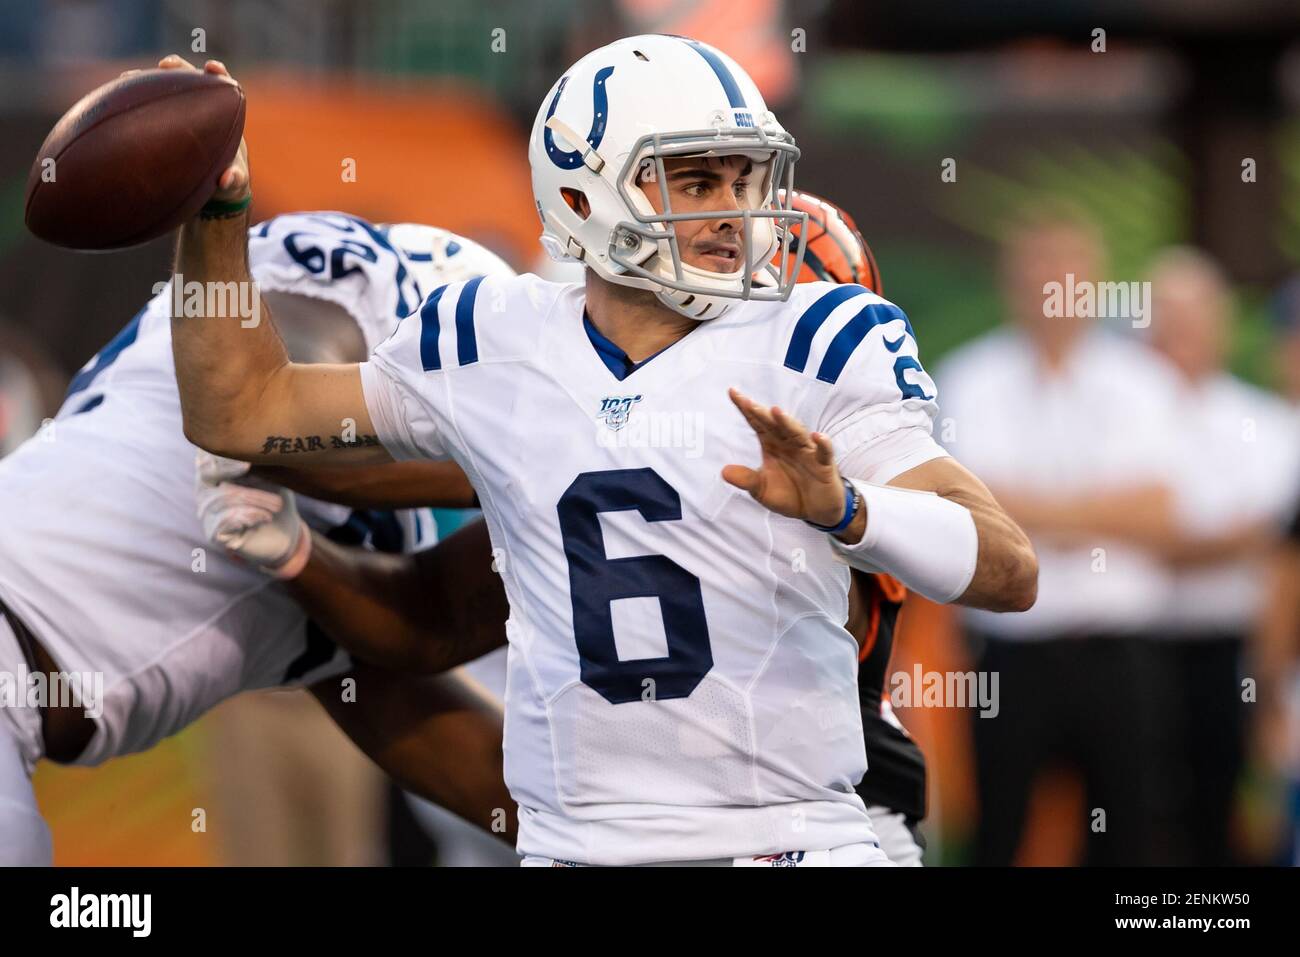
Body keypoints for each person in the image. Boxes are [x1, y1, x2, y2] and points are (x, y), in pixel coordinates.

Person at [162, 36, 1036, 867]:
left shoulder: (815, 333)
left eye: (745, 177)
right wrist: (217, 216)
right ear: (583, 198)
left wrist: (848, 508)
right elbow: (241, 409)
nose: (734, 210)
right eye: (695, 181)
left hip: (786, 836)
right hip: (576, 846)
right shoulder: (495, 340)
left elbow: (1009, 567)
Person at [201, 186, 934, 866]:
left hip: (812, 828)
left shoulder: (822, 484)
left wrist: (296, 470)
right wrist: (299, 554)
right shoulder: (615, 458)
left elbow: (449, 601)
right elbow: (435, 612)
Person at [0, 212, 514, 865]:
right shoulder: (330, 306)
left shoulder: (357, 564)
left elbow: (444, 691)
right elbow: (254, 418)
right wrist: (509, 465)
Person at [1142, 247, 1300, 864]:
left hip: (1237, 650)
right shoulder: (1121, 414)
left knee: (1226, 816)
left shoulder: (1269, 424)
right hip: (1139, 646)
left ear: (1223, 324)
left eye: (1196, 317)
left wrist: (1147, 534)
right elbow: (1258, 534)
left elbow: (1275, 543)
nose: (1182, 334)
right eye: (1168, 317)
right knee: (1137, 815)